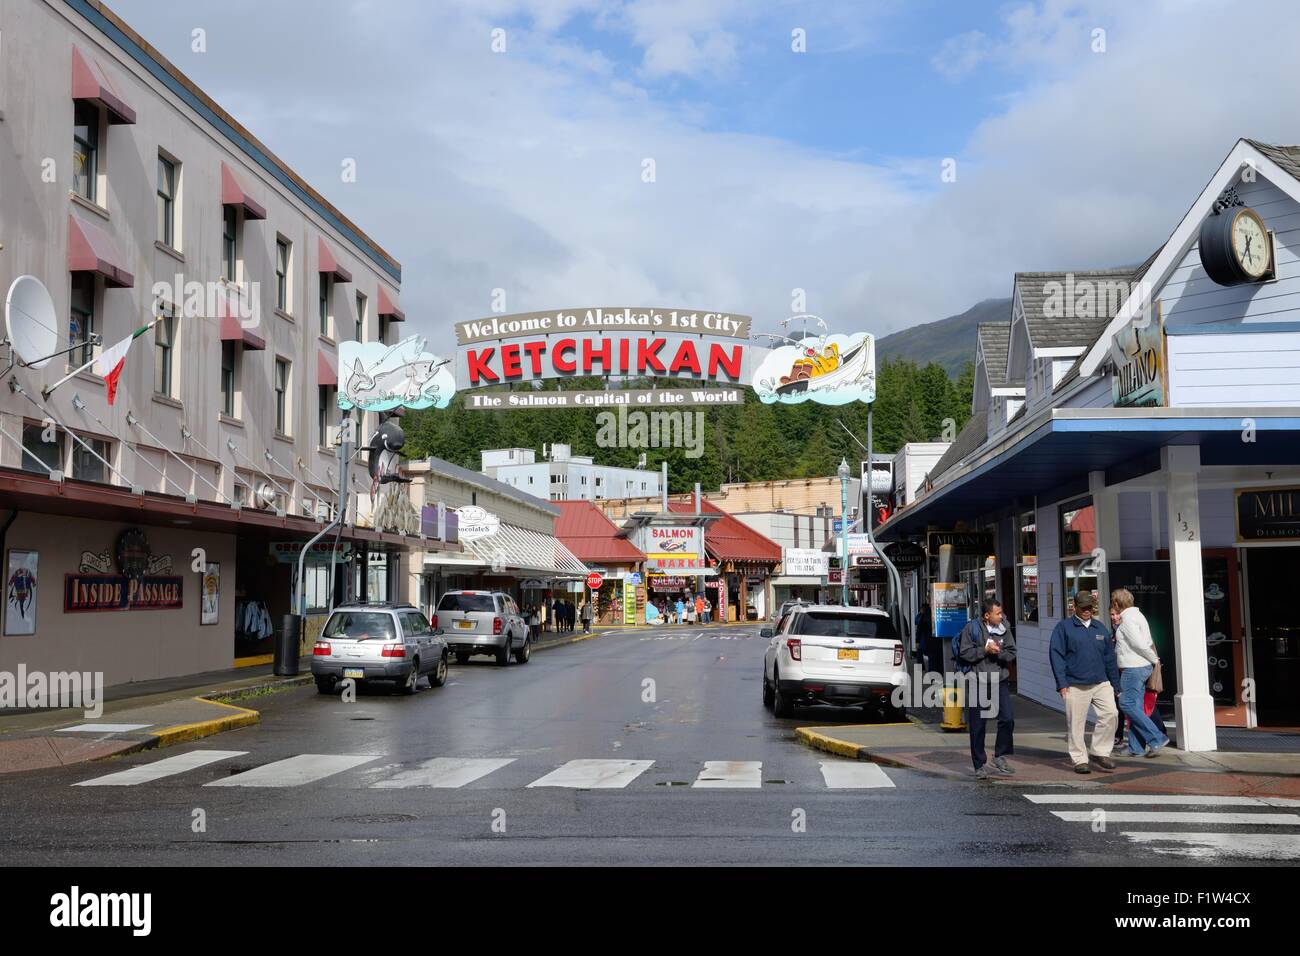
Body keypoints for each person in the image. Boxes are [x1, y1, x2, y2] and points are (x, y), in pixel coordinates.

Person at [1049, 590, 1121, 774]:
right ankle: (1079, 759)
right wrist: (1062, 684)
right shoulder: (1063, 627)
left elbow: (1109, 658)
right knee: (1076, 723)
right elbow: (1056, 656)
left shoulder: (1100, 628)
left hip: (1101, 682)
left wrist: (1116, 685)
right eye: (1084, 607)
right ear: (1075, 607)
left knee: (1111, 714)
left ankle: (1100, 751)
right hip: (1075, 684)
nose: (1087, 611)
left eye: (1090, 607)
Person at [956, 599, 1017, 780]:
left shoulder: (1004, 628)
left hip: (1000, 680)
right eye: (998, 613)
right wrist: (984, 650)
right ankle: (979, 764)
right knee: (978, 725)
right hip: (978, 681)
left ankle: (999, 755)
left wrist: (999, 652)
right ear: (986, 615)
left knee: (1007, 719)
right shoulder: (971, 629)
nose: (1001, 616)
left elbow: (1012, 651)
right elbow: (965, 653)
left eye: (1001, 613)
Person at [1111, 588, 1170, 757]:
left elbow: (1139, 644)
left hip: (1133, 667)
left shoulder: (1128, 619)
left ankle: (1157, 737)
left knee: (1126, 704)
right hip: (1140, 666)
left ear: (1117, 603)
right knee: (1135, 707)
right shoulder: (1138, 615)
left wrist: (1154, 658)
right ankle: (1135, 748)